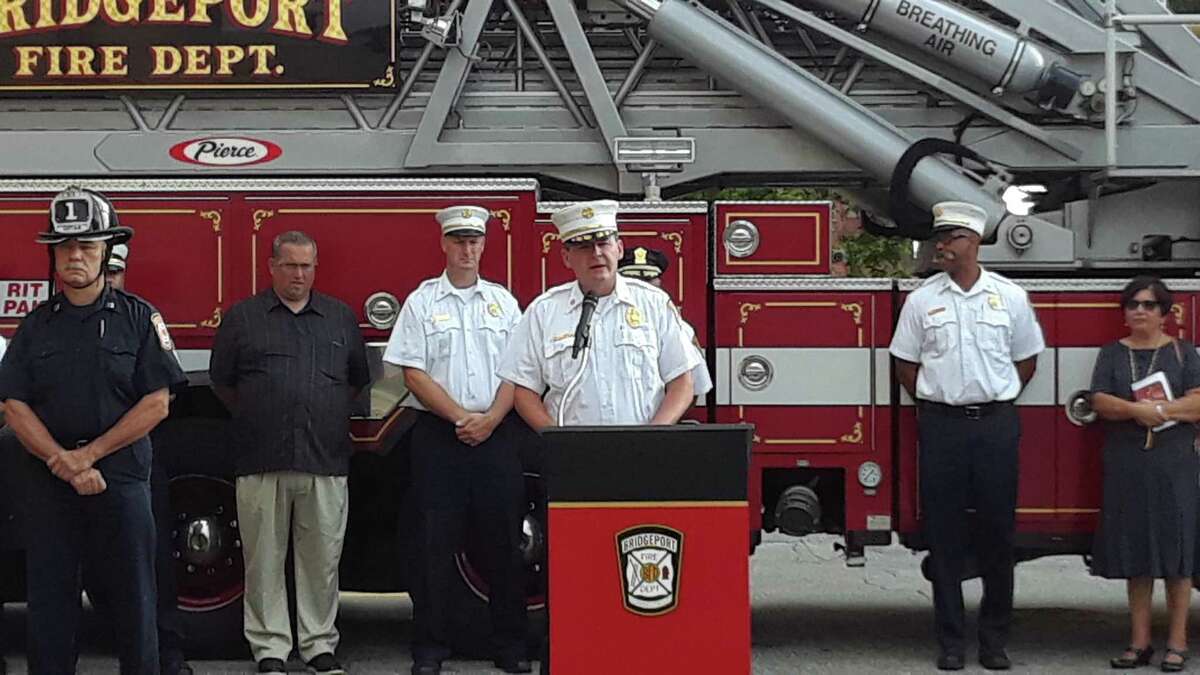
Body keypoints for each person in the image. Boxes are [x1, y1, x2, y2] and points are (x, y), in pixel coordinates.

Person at [0, 186, 187, 675]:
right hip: (49, 484)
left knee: (134, 601)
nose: (75, 256)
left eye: (86, 246)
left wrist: (89, 456)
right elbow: (14, 404)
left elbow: (156, 404)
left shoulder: (140, 319)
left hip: (121, 481)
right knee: (50, 605)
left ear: (107, 251)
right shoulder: (36, 326)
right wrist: (61, 461)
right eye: (65, 247)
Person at [888, 201, 1045, 671]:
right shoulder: (922, 301)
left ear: (974, 242)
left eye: (951, 238)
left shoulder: (1010, 297)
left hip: (996, 424)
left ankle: (994, 641)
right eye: (940, 238)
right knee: (944, 536)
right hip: (942, 426)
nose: (942, 246)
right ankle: (952, 642)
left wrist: (998, 397)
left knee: (999, 534)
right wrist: (939, 403)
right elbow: (905, 364)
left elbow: (1027, 359)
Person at [209, 231, 370, 675]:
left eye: (307, 266)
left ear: (315, 268)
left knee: (322, 560)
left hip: (325, 458)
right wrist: (266, 412)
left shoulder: (339, 318)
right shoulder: (243, 319)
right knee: (263, 559)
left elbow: (357, 378)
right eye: (291, 265)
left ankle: (319, 643)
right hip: (261, 457)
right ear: (272, 266)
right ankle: (270, 649)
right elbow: (222, 382)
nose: (299, 275)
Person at [383, 206, 529, 675]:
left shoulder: (503, 303)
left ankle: (509, 646)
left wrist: (490, 419)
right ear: (444, 245)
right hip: (439, 436)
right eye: (458, 240)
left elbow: (519, 370)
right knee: (432, 547)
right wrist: (461, 418)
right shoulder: (422, 303)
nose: (467, 249)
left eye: (474, 241)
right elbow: (412, 371)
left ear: (484, 245)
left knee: (505, 544)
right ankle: (429, 649)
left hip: (497, 433)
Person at [498, 200, 699, 429]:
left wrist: (654, 434)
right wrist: (558, 441)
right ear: (566, 257)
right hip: (573, 453)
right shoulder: (544, 311)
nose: (596, 254)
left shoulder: (654, 303)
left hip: (645, 450)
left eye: (603, 243)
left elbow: (682, 381)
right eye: (584, 247)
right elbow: (524, 390)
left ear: (619, 249)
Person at [1087, 276, 1200, 672]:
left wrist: (1162, 412)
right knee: (1137, 556)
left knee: (1178, 556)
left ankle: (1177, 643)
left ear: (1165, 313)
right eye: (1133, 304)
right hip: (1127, 463)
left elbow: (1198, 403)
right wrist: (1139, 411)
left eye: (1149, 305)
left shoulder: (1184, 354)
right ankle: (1138, 643)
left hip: (1175, 465)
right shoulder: (1111, 354)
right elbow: (1100, 401)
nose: (1139, 310)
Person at [95, 240, 193, 675]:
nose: (110, 281)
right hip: (69, 460)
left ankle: (165, 653)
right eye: (106, 272)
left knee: (149, 565)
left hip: (133, 460)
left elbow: (162, 394)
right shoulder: (57, 321)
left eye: (116, 273)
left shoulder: (142, 320)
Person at [616, 245, 713, 400]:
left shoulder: (681, 329)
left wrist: (664, 421)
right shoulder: (596, 322)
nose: (641, 287)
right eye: (633, 280)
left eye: (648, 280)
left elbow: (694, 387)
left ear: (659, 283)